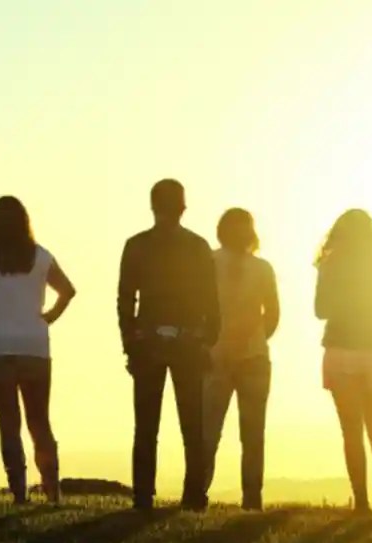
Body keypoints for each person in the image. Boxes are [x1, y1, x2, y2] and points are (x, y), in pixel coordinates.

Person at [118, 180, 219, 511]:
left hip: (147, 338)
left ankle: (143, 495)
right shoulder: (198, 246)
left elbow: (125, 298)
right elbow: (211, 300)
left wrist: (129, 340)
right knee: (193, 425)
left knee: (145, 425)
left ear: (152, 206)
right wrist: (207, 339)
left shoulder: (136, 245)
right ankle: (194, 496)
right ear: (183, 208)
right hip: (189, 339)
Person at [0, 197, 76, 504]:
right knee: (39, 419)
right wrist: (49, 317)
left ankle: (18, 490)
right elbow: (67, 291)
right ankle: (52, 489)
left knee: (8, 422)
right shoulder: (40, 257)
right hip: (34, 346)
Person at [315, 209, 372, 518]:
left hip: (341, 349)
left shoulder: (331, 266)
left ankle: (362, 502)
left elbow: (320, 310)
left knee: (351, 431)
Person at [201, 208, 279, 511]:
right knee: (252, 434)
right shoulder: (262, 268)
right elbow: (272, 315)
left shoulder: (208, 262)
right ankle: (251, 499)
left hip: (218, 356)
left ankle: (198, 494)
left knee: (208, 432)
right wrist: (255, 339)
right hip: (251, 357)